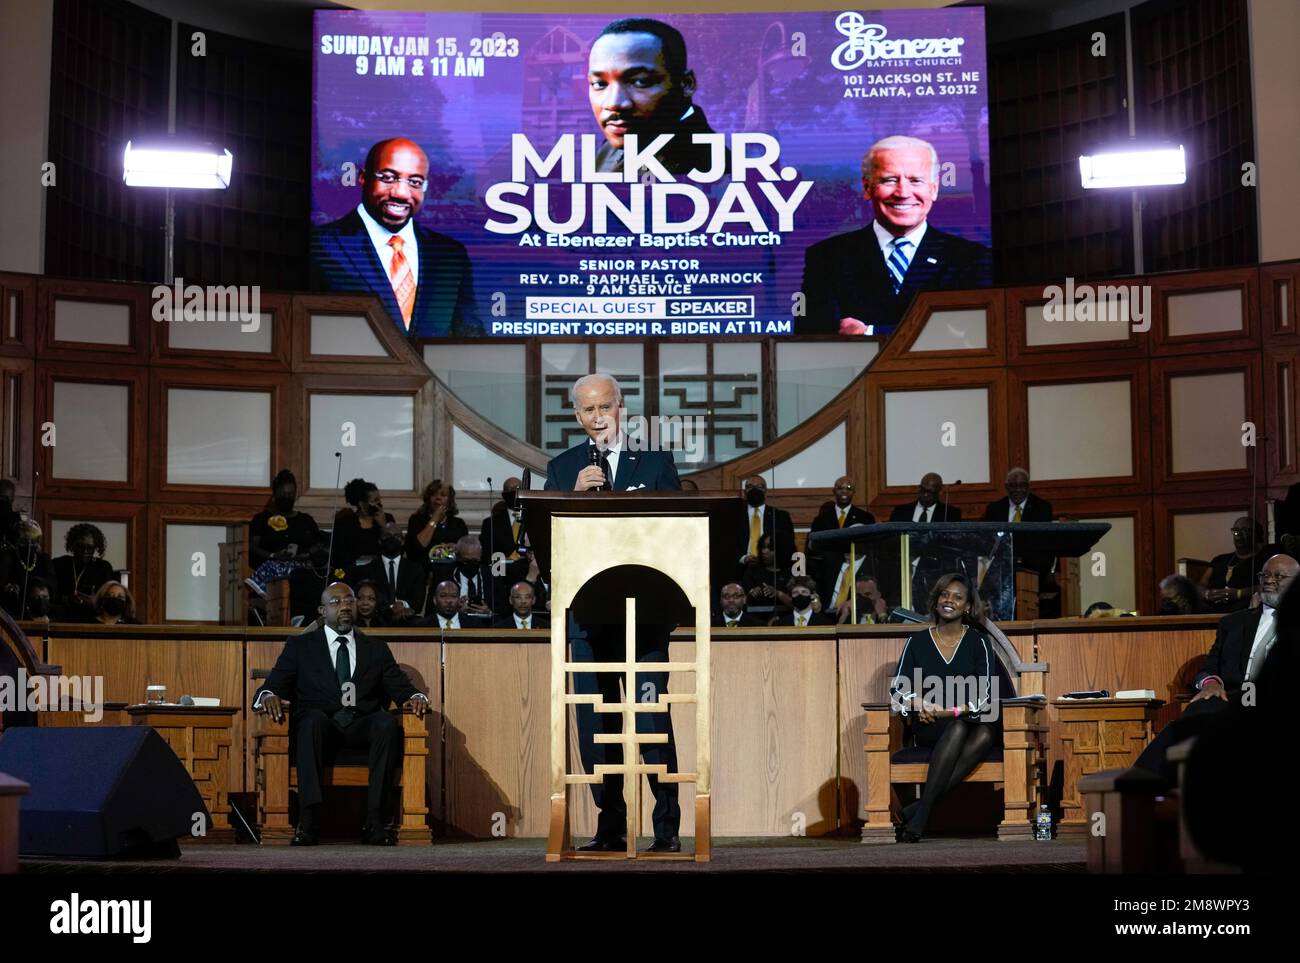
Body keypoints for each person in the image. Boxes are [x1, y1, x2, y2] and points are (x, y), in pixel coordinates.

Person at [544, 372, 683, 854]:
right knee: (594, 731)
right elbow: (546, 546)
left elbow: (678, 531)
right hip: (588, 619)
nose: (597, 417)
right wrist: (572, 499)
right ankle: (610, 828)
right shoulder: (563, 469)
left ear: (621, 407)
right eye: (587, 410)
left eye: (604, 407)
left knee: (650, 721)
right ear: (577, 415)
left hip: (645, 618)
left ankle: (666, 828)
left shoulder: (657, 463)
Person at [252, 582, 430, 846]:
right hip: (320, 728)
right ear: (322, 610)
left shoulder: (376, 649)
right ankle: (309, 819)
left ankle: (375, 820)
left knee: (384, 722)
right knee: (311, 720)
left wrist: (416, 697)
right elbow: (269, 689)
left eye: (350, 600)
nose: (345, 606)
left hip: (360, 727)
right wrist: (268, 697)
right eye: (336, 602)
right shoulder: (301, 647)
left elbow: (402, 689)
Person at [801, 135, 991, 336]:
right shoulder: (826, 257)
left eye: (916, 181)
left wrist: (869, 332)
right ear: (867, 188)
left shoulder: (971, 258)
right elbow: (811, 335)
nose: (903, 192)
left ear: (934, 189)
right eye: (889, 180)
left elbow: (972, 334)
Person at [1134, 554, 1297, 782]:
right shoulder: (1233, 623)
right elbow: (1208, 667)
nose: (1269, 580)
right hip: (1230, 699)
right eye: (1265, 575)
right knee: (1191, 719)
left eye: (1279, 576)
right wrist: (1210, 682)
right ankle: (1143, 787)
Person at [309, 137, 479, 336]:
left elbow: (469, 335)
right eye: (388, 178)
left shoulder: (450, 255)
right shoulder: (320, 246)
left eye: (415, 182)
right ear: (363, 177)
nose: (401, 192)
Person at [889, 573, 998, 842]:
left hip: (968, 718)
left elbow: (986, 695)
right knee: (966, 729)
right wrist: (920, 703)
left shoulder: (979, 642)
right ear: (936, 600)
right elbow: (897, 690)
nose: (949, 600)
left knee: (979, 729)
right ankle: (922, 811)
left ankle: (920, 811)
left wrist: (948, 710)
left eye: (958, 597)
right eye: (944, 595)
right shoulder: (917, 642)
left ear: (968, 607)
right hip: (929, 724)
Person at [588, 18, 722, 179]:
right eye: (599, 84)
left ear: (686, 84)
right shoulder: (618, 142)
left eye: (641, 82)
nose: (614, 103)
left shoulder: (706, 168)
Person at [247, 470, 321, 595]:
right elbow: (253, 547)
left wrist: (305, 555)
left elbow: (317, 546)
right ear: (275, 494)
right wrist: (273, 556)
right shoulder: (262, 519)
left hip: (301, 572)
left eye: (291, 494)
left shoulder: (305, 520)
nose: (287, 497)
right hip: (271, 572)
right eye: (284, 494)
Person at [808, 475, 877, 603]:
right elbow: (812, 549)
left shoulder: (866, 518)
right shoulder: (821, 519)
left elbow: (871, 549)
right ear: (834, 491)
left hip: (856, 574)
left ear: (854, 492)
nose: (844, 491)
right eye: (840, 488)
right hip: (827, 577)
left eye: (849, 488)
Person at [350, 519, 427, 622]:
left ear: (403, 541)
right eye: (387, 535)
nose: (392, 538)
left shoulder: (415, 569)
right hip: (377, 620)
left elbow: (418, 602)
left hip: (407, 620)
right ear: (380, 540)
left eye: (396, 536)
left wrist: (403, 604)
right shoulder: (368, 569)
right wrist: (390, 608)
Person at [1199, 517, 1272, 613]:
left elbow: (1270, 586)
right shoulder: (1220, 559)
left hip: (1243, 608)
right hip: (1212, 608)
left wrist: (1239, 593)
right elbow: (1201, 585)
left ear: (1256, 534)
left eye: (1245, 530)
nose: (1239, 534)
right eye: (1236, 530)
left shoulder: (1265, 560)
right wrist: (1207, 594)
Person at [51, 523, 116, 622]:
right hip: (63, 618)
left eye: (90, 548)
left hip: (93, 619)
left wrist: (96, 601)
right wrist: (67, 598)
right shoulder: (59, 564)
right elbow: (50, 594)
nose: (85, 551)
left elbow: (110, 599)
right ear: (73, 545)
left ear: (95, 548)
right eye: (81, 547)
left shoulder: (103, 567)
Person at [331, 479, 395, 576]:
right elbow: (338, 558)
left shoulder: (388, 518)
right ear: (362, 504)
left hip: (380, 573)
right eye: (374, 501)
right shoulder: (345, 523)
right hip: (351, 573)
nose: (379, 504)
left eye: (379, 499)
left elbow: (394, 550)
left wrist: (384, 526)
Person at [736, 475, 796, 576]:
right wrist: (743, 558)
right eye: (750, 486)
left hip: (772, 570)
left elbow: (788, 546)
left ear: (765, 491)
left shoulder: (780, 516)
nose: (755, 490)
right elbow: (727, 546)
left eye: (759, 487)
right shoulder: (734, 516)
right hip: (740, 568)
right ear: (744, 492)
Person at [0, 520, 56, 619]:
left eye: (35, 542)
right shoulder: (9, 558)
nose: (31, 546)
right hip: (14, 611)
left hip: (39, 608)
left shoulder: (43, 559)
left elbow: (52, 586)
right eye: (25, 542)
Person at [405, 480, 469, 563]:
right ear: (428, 499)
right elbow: (419, 546)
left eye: (443, 495)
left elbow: (467, 553)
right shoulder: (416, 520)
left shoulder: (458, 523)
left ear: (450, 500)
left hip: (452, 569)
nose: (438, 498)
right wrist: (435, 518)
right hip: (425, 570)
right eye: (434, 495)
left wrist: (457, 547)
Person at [740, 533, 790, 610]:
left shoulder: (789, 572)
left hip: (784, 618)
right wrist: (751, 592)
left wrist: (777, 593)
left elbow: (797, 605)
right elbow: (740, 599)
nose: (764, 551)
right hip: (755, 618)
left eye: (770, 548)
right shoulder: (752, 569)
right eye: (763, 547)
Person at [480, 477, 526, 562]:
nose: (513, 492)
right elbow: (487, 554)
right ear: (503, 495)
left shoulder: (535, 520)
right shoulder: (490, 524)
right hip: (501, 571)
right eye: (509, 489)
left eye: (517, 488)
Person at [890, 472, 962, 523]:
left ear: (940, 491)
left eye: (930, 491)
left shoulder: (951, 514)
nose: (925, 494)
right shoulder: (900, 512)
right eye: (923, 489)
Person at [423, 579, 491, 630]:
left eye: (453, 596)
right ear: (435, 600)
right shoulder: (422, 625)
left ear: (459, 600)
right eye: (443, 596)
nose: (448, 600)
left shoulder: (474, 624)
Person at [769, 575, 835, 626]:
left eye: (804, 592)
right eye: (795, 592)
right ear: (790, 597)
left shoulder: (826, 623)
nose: (800, 595)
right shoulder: (780, 624)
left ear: (812, 595)